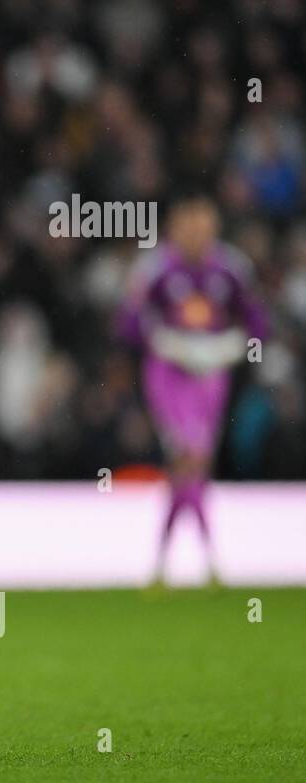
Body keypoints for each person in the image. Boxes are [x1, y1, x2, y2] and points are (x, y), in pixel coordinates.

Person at [117, 195, 270, 588]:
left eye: (204, 228)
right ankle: (206, 555)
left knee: (191, 466)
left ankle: (164, 560)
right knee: (191, 454)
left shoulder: (231, 268)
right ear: (174, 228)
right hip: (168, 374)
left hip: (210, 374)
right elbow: (129, 323)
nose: (197, 236)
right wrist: (164, 341)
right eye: (189, 227)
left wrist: (230, 346)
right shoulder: (156, 268)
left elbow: (256, 321)